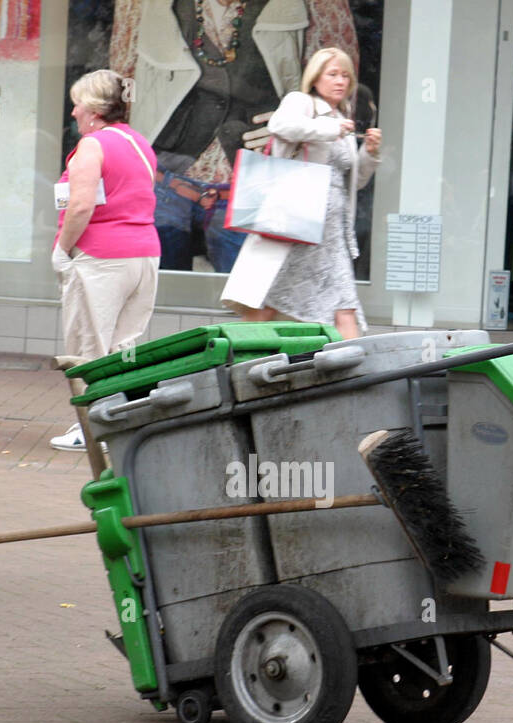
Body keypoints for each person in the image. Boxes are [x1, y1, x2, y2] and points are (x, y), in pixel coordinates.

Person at [110, 0, 359, 273]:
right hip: (165, 182)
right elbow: (124, 79)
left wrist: (296, 129)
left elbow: (339, 85)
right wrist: (124, 161)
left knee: (247, 301)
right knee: (153, 293)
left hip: (257, 184)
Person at [220, 47, 380, 341]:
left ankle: (359, 375)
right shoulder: (302, 103)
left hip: (331, 234)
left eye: (346, 75)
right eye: (332, 74)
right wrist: (329, 129)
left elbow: (352, 183)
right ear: (315, 78)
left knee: (344, 307)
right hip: (297, 224)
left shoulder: (340, 116)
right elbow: (280, 125)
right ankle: (230, 357)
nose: (340, 81)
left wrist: (369, 154)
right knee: (267, 305)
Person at [49, 69, 160, 453]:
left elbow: (79, 205)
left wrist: (62, 250)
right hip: (143, 255)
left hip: (101, 258)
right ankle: (121, 422)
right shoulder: (139, 143)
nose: (74, 111)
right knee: (124, 346)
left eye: (77, 103)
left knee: (87, 347)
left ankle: (92, 426)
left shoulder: (93, 146)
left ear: (94, 108)